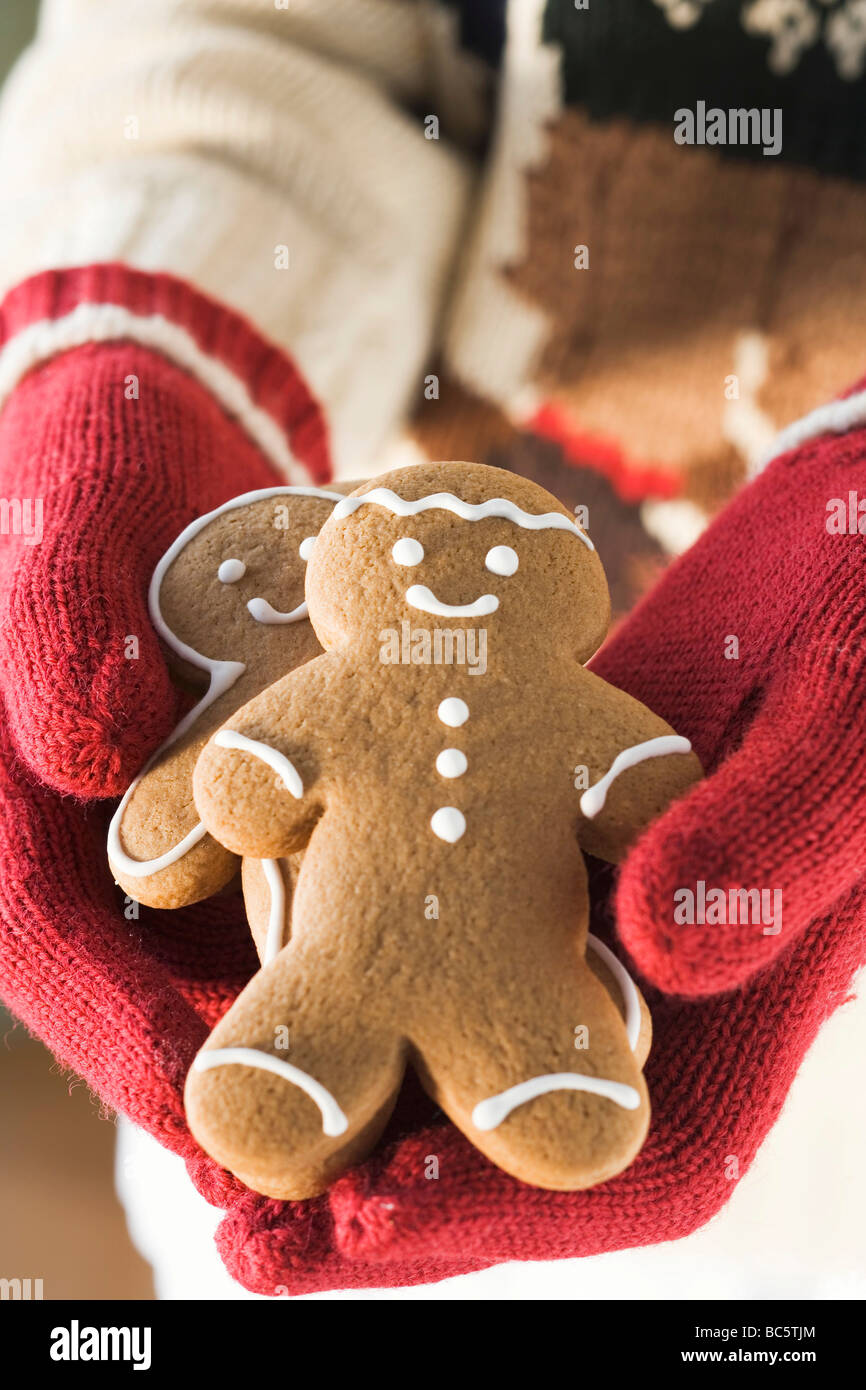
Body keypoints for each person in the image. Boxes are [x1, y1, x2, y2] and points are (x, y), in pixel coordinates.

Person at [0, 0, 864, 1297]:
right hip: (302, 931)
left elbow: (626, 781)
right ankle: (297, 1067)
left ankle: (547, 1068)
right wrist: (144, 333)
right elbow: (261, 35)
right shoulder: (343, 673)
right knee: (305, 1068)